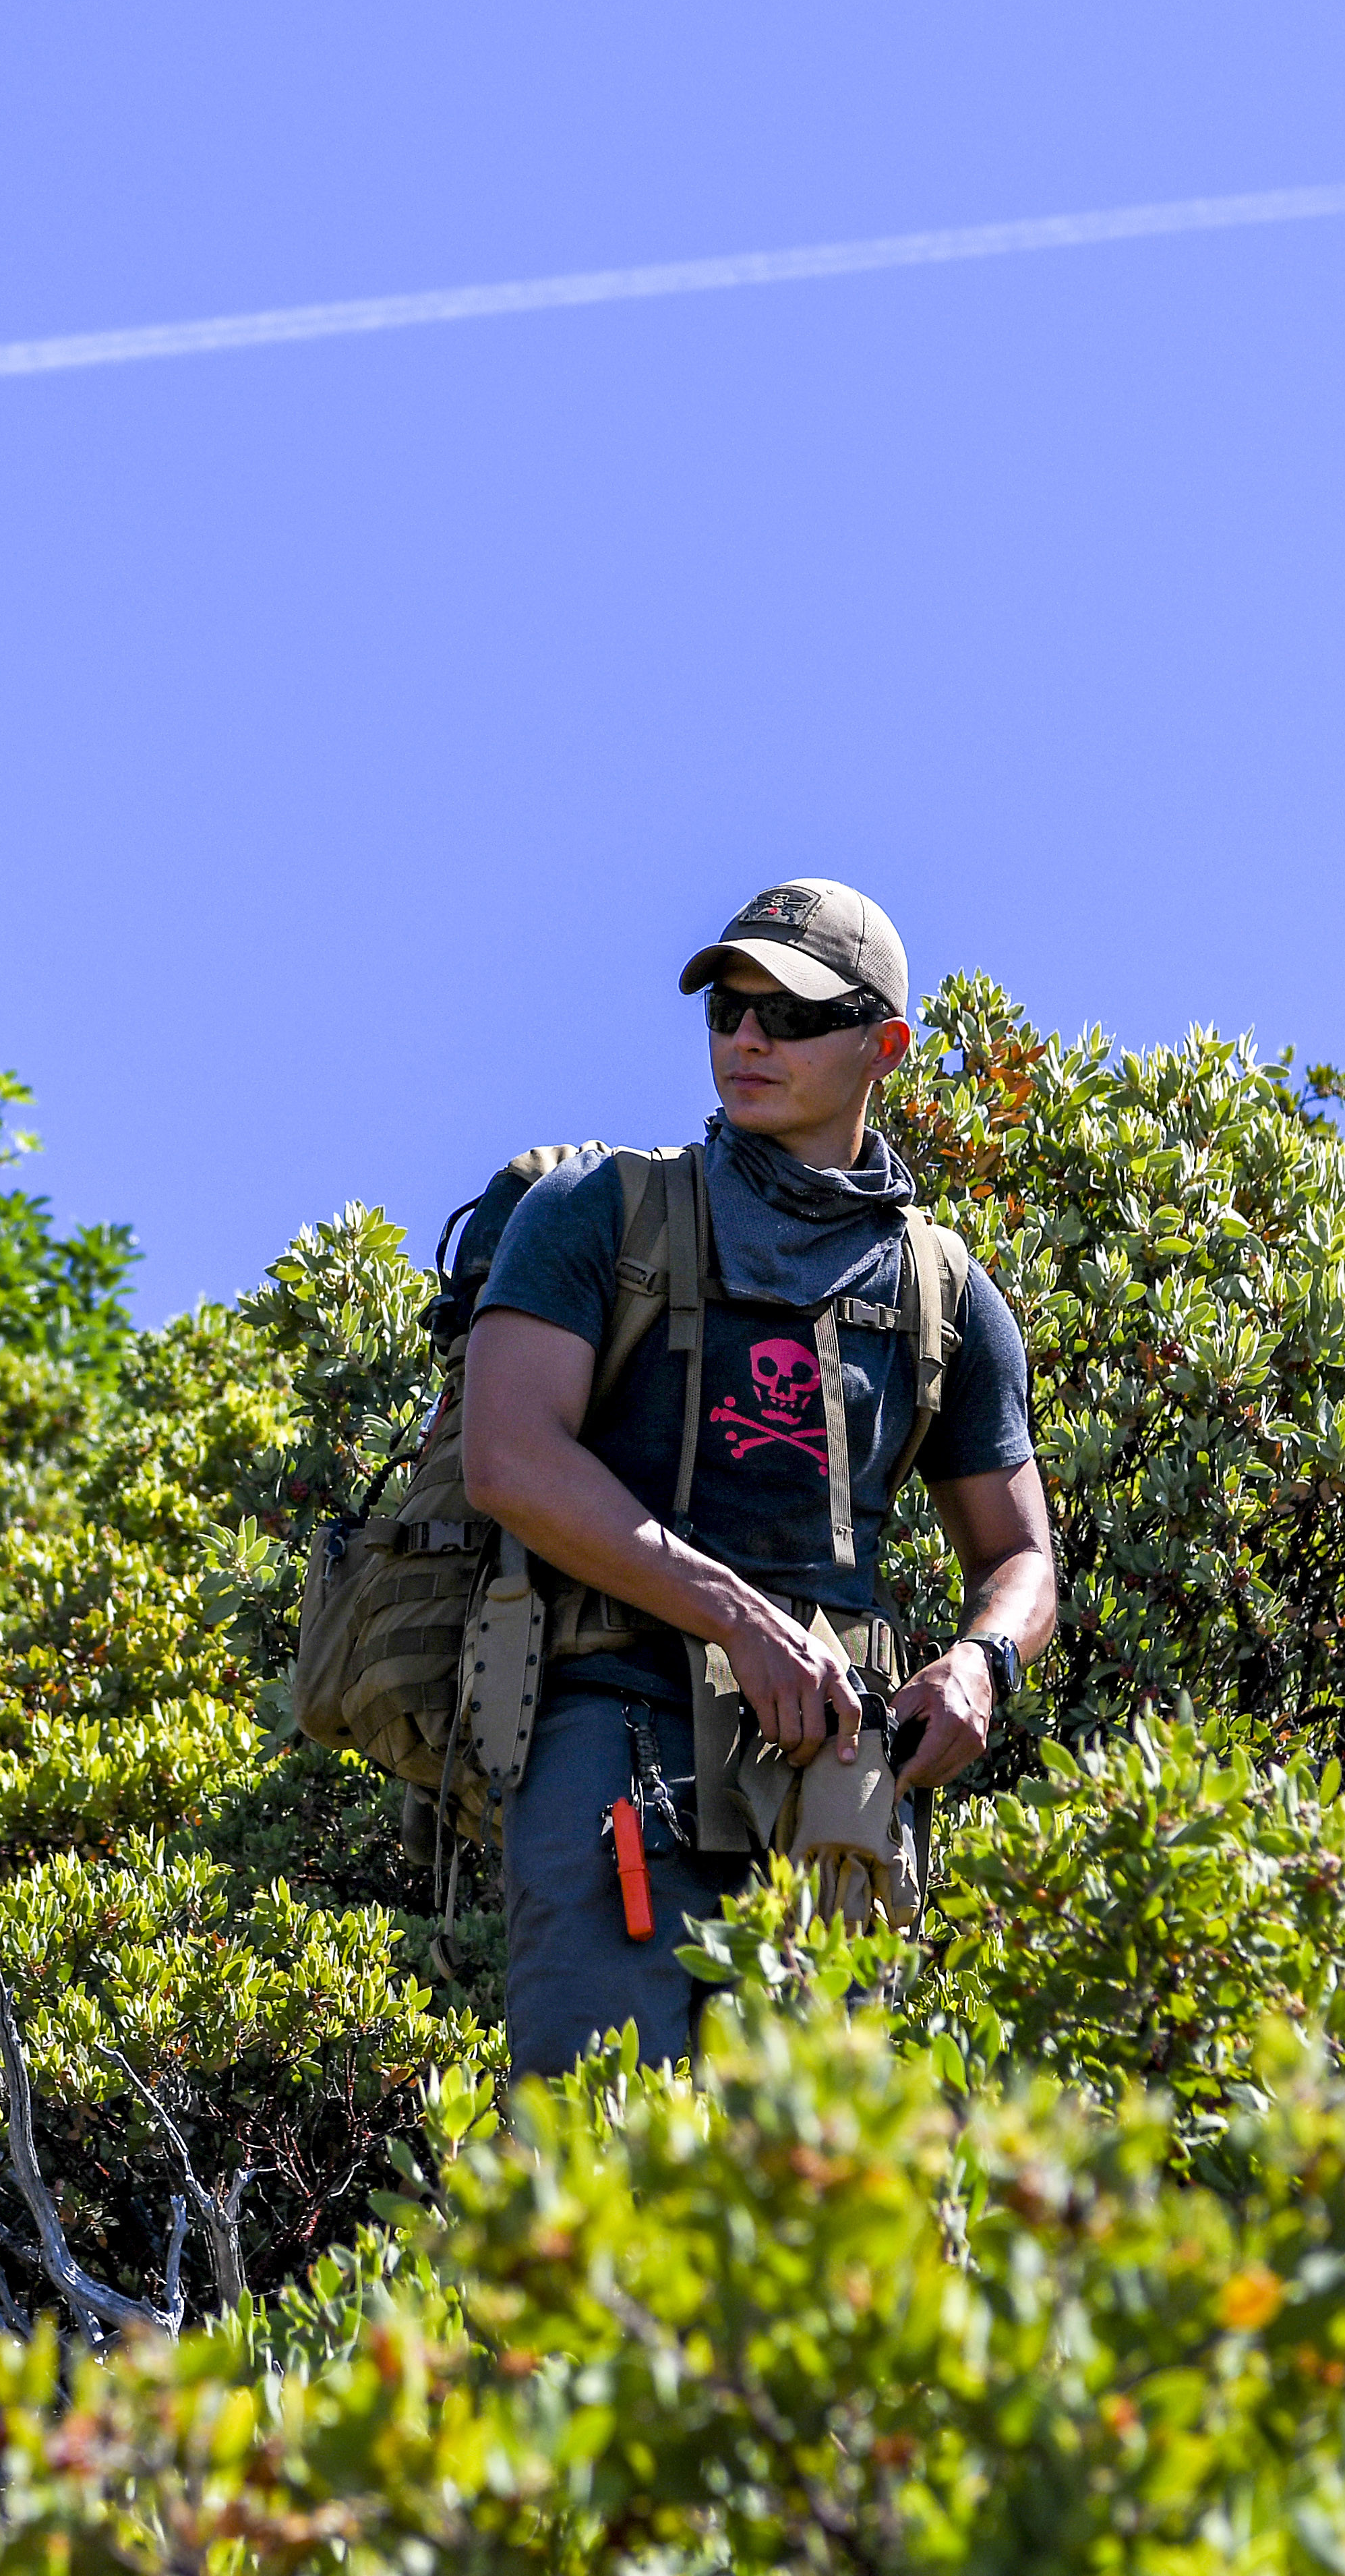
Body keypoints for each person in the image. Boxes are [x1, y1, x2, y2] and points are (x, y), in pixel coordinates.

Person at [461, 877, 1056, 2075]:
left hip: (835, 1773)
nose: (746, 1039)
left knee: (823, 2185)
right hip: (614, 1734)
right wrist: (743, 1621)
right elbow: (508, 1457)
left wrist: (980, 1663)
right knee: (600, 2146)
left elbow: (1020, 1555)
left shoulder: (943, 1287)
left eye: (789, 1016)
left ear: (881, 1045)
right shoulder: (593, 1213)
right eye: (727, 1011)